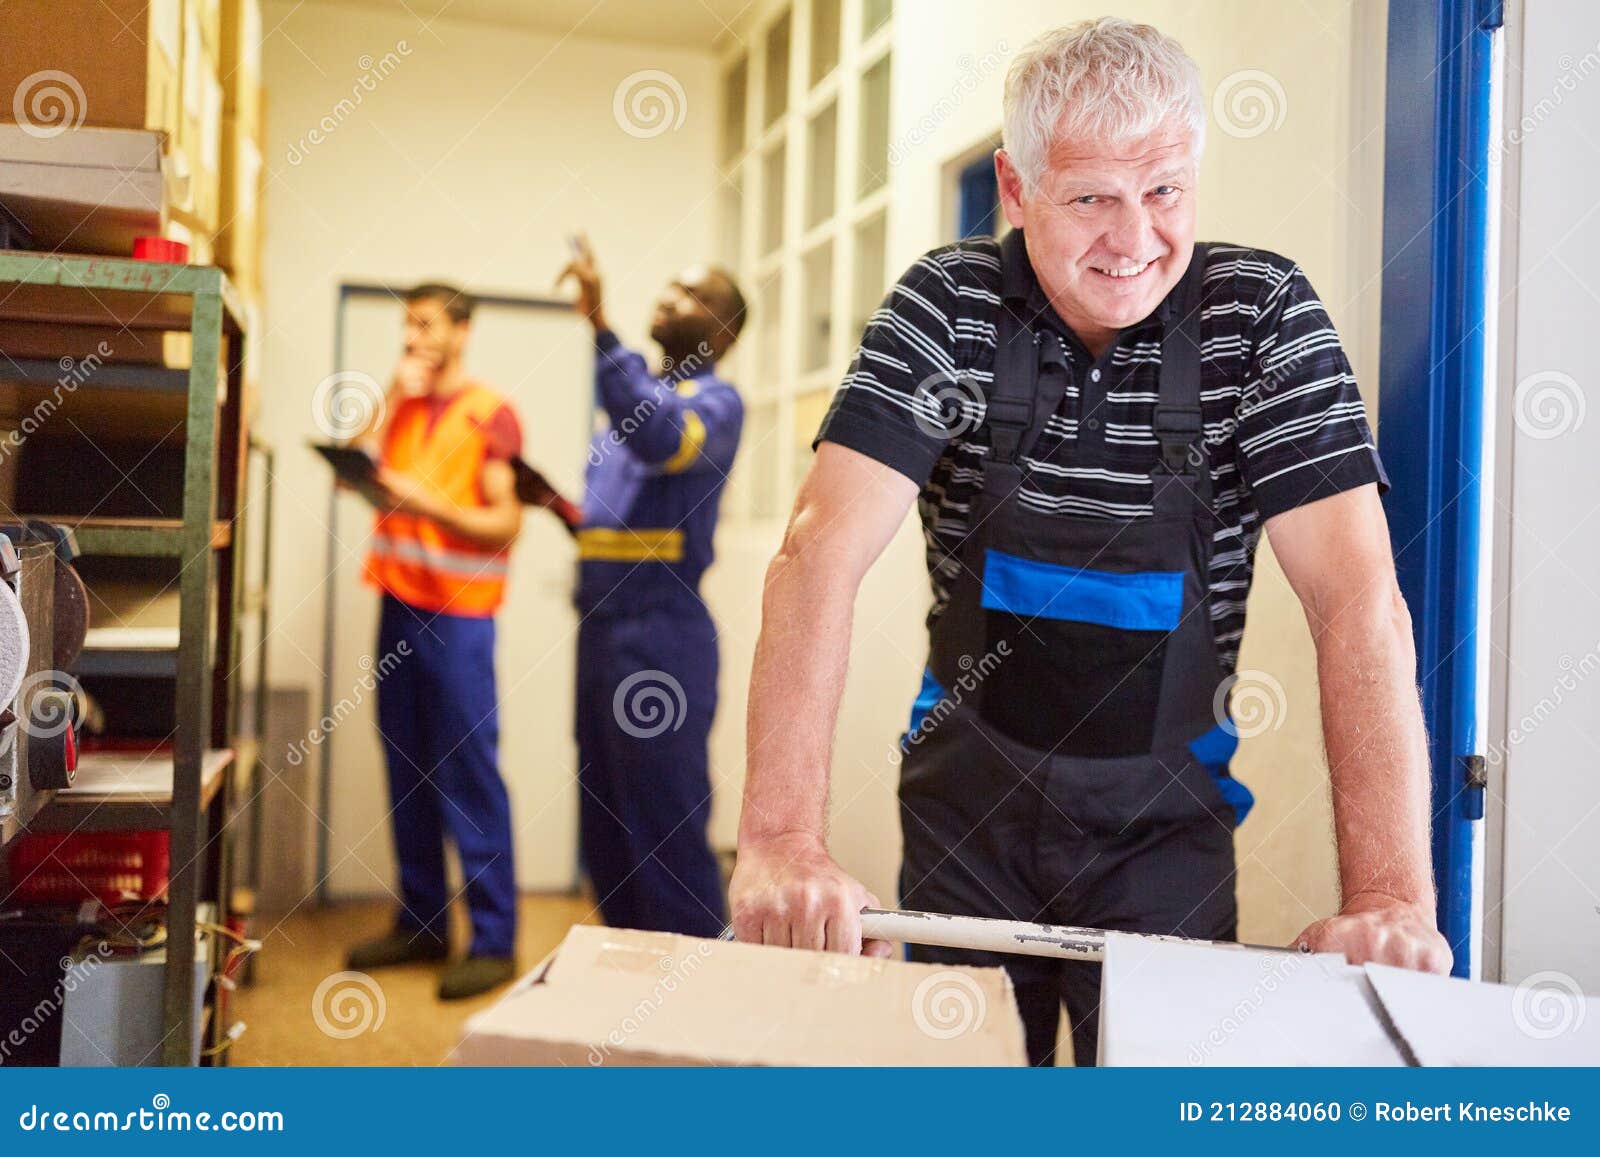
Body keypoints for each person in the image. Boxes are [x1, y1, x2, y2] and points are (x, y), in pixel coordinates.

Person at [729, 18, 1452, 1066]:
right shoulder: (950, 306)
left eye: (1162, 190)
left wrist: (1389, 894)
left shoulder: (1258, 317)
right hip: (964, 821)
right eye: (1088, 198)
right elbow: (815, 556)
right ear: (1015, 189)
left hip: (1167, 833)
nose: (1133, 238)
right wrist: (780, 841)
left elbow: (1356, 598)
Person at [556, 236, 746, 938]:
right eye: (668, 285)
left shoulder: (717, 404)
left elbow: (661, 438)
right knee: (604, 821)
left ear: (724, 331)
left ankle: (695, 1006)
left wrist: (601, 327)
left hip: (661, 636)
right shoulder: (625, 415)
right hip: (600, 632)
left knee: (666, 829)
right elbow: (609, 526)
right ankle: (633, 989)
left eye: (692, 294)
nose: (669, 297)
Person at [344, 282, 524, 1001]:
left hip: (459, 618)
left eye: (424, 323)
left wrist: (425, 503)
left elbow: (505, 521)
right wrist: (394, 388)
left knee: (469, 773)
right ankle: (421, 920)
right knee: (407, 767)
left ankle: (494, 939)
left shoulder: (491, 413)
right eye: (406, 323)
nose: (412, 335)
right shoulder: (405, 405)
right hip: (397, 607)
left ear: (461, 329)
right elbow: (359, 461)